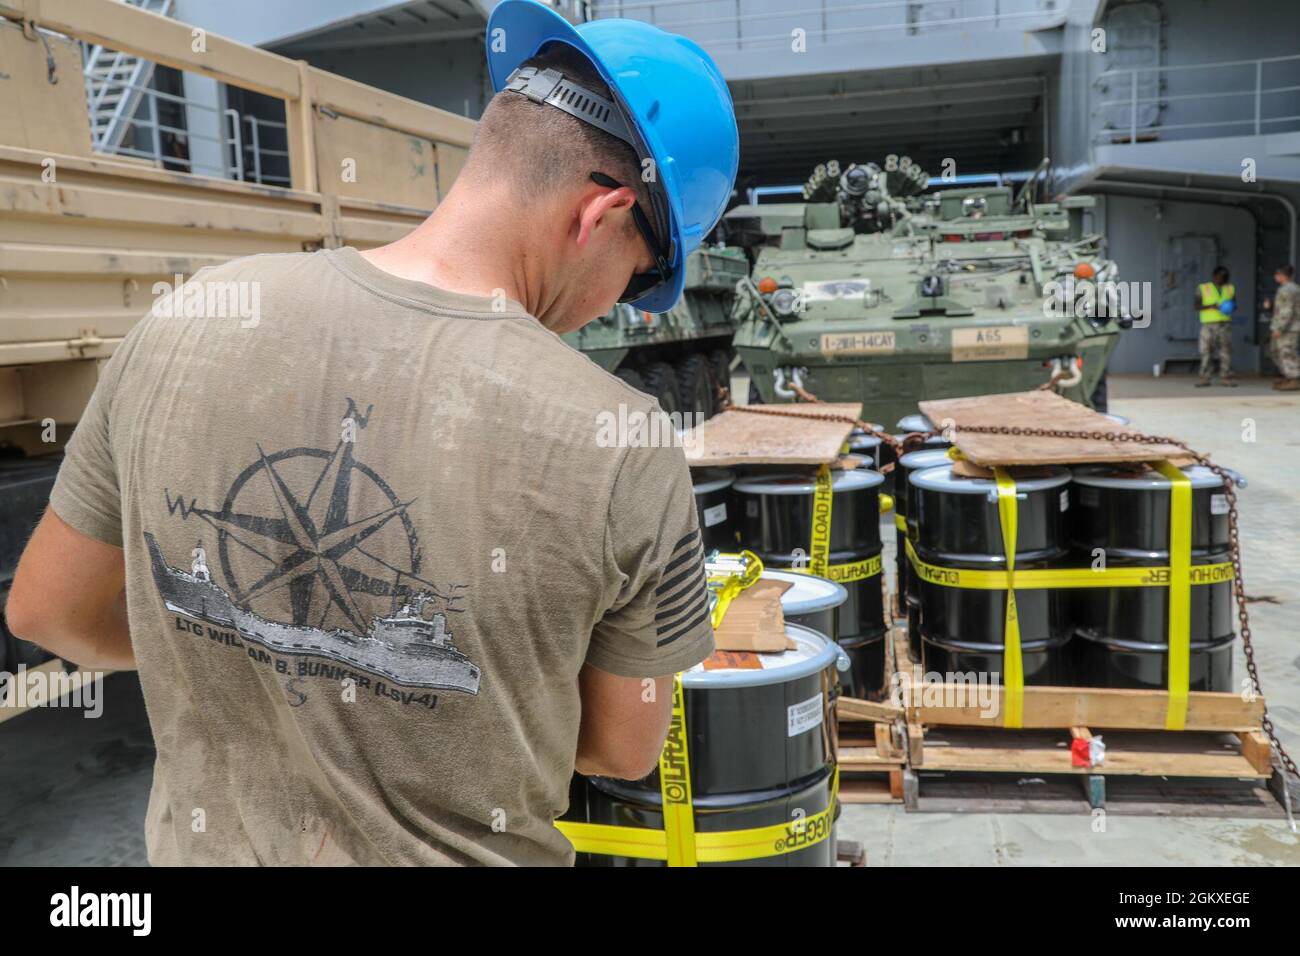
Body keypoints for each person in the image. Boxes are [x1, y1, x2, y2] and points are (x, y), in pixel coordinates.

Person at [6, 0, 738, 866]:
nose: (620, 303)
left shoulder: (187, 315)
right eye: (642, 276)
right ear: (603, 216)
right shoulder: (624, 441)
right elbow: (624, 746)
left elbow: (47, 610)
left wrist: (251, 650)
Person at [1195, 266, 1236, 387]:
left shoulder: (1230, 288)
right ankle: (1205, 378)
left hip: (1224, 325)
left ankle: (1225, 377)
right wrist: (1211, 306)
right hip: (1208, 325)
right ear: (1214, 276)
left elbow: (1235, 305)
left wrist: (1229, 307)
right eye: (1220, 277)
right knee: (1206, 351)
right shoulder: (1203, 288)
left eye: (1225, 278)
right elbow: (1196, 306)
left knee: (1225, 352)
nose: (1223, 280)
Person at [1266, 264, 1299, 391]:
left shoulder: (1287, 290)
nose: (1275, 276)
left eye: (1276, 274)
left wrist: (1279, 328)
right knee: (1277, 351)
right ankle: (1289, 376)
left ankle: (1295, 378)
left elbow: (1287, 311)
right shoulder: (1291, 288)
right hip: (1288, 327)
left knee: (1288, 352)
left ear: (1282, 275)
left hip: (1288, 328)